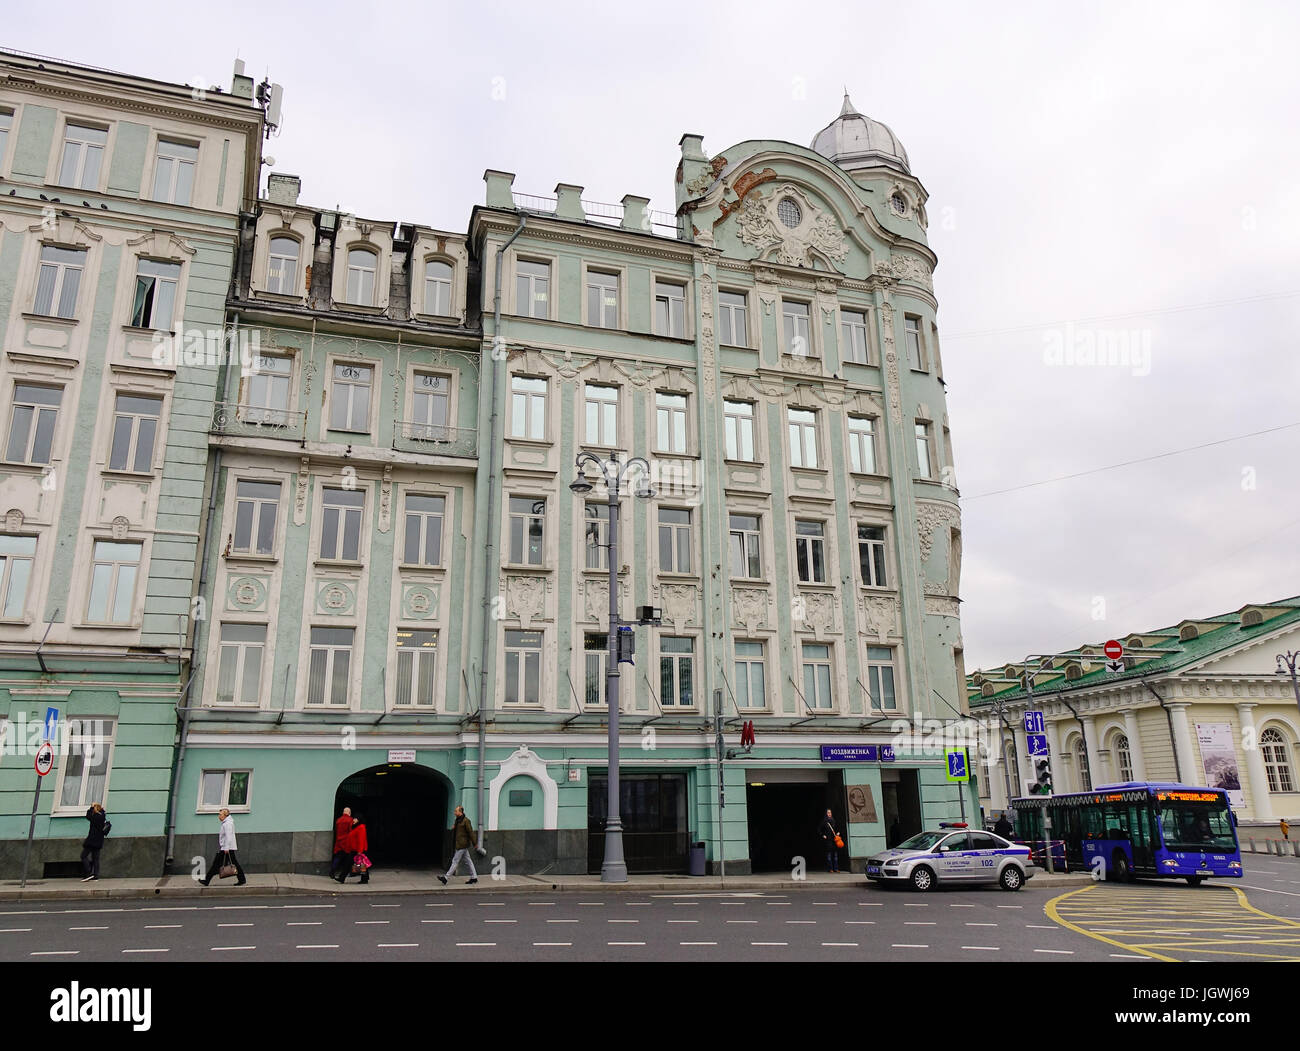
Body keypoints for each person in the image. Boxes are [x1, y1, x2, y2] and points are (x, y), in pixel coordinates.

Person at [200, 807, 246, 886]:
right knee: (231, 864)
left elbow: (228, 836)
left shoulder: (227, 824)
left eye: (220, 814)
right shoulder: (226, 823)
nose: (219, 816)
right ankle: (242, 879)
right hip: (226, 848)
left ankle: (206, 880)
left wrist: (226, 848)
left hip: (227, 848)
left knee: (219, 864)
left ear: (225, 815)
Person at [438, 805, 479, 885]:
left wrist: (475, 843)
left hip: (462, 844)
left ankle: (446, 878)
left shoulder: (466, 821)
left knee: (455, 861)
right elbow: (458, 831)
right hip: (458, 843)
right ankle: (474, 877)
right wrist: (454, 828)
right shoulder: (458, 820)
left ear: (460, 812)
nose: (454, 813)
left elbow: (471, 833)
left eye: (456, 811)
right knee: (468, 860)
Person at [337, 814, 370, 885]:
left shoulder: (361, 827)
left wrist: (360, 851)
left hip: (358, 850)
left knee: (358, 864)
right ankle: (364, 878)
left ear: (359, 819)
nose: (353, 820)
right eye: (353, 818)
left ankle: (342, 878)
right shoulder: (355, 827)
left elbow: (361, 840)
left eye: (355, 819)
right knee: (359, 864)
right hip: (354, 849)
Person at [80, 802, 107, 881]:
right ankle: (96, 876)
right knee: (96, 859)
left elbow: (87, 816)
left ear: (95, 808)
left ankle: (88, 873)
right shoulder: (102, 816)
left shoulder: (94, 816)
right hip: (99, 841)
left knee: (83, 856)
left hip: (92, 840)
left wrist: (91, 807)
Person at [330, 806, 353, 879]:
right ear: (349, 813)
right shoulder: (350, 820)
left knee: (338, 857)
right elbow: (351, 832)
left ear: (343, 812)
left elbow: (336, 831)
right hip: (346, 842)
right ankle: (350, 872)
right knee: (348, 859)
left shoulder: (338, 820)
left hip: (339, 842)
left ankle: (332, 871)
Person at [819, 808, 841, 873]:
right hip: (828, 840)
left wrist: (838, 832)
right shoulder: (824, 821)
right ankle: (830, 869)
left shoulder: (834, 820)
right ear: (826, 814)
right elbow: (819, 829)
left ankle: (836, 868)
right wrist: (823, 835)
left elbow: (838, 828)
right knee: (829, 855)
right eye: (828, 813)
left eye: (830, 813)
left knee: (835, 855)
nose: (829, 814)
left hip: (834, 840)